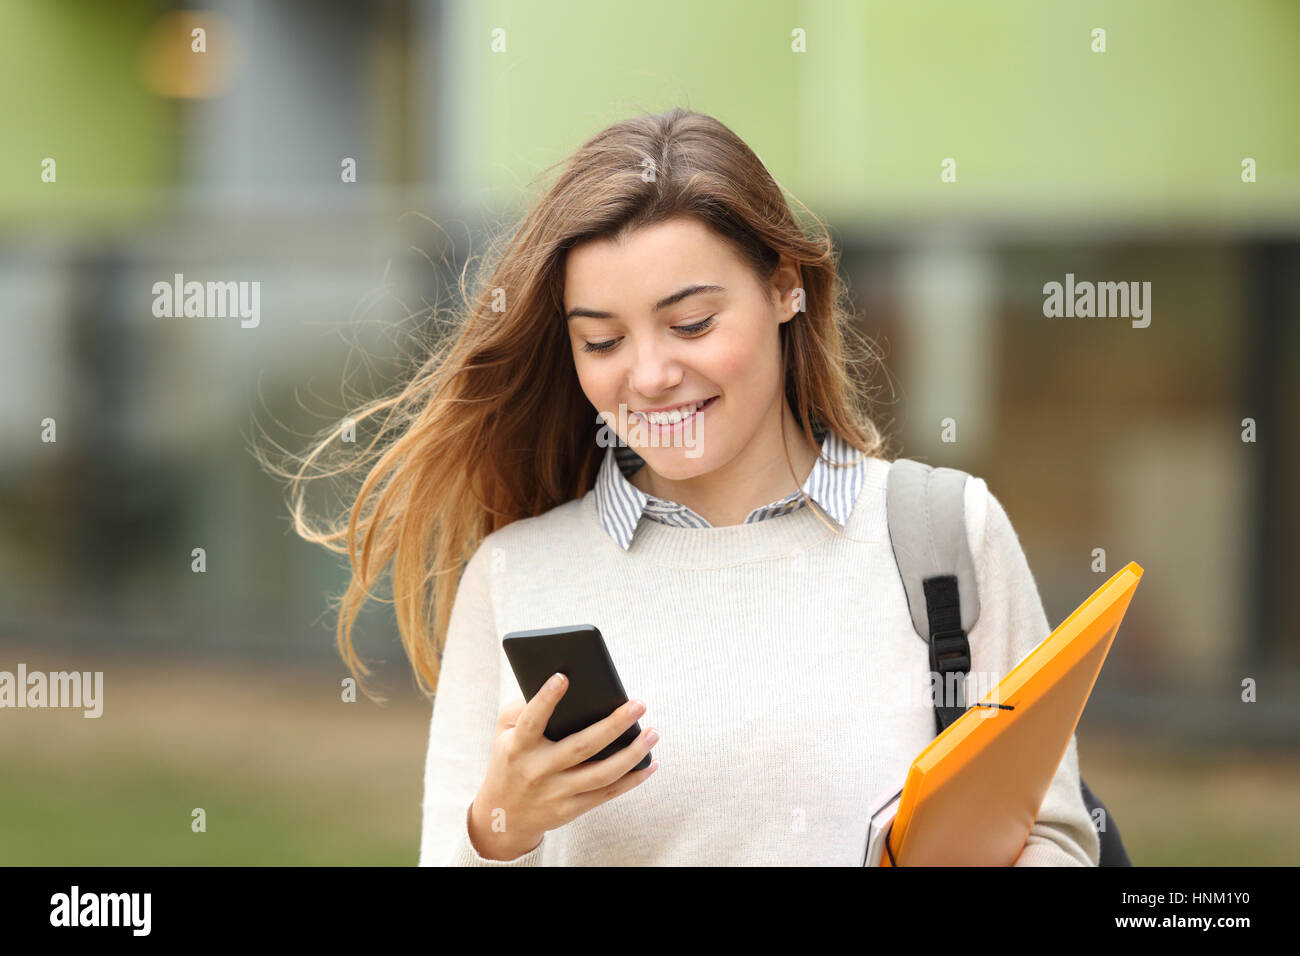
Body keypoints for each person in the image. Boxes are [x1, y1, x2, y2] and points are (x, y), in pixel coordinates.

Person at [281, 106, 1099, 866]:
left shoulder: (944, 534)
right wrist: (501, 827)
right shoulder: (517, 573)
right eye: (601, 341)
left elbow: (1057, 838)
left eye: (692, 324)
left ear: (786, 287)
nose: (650, 374)